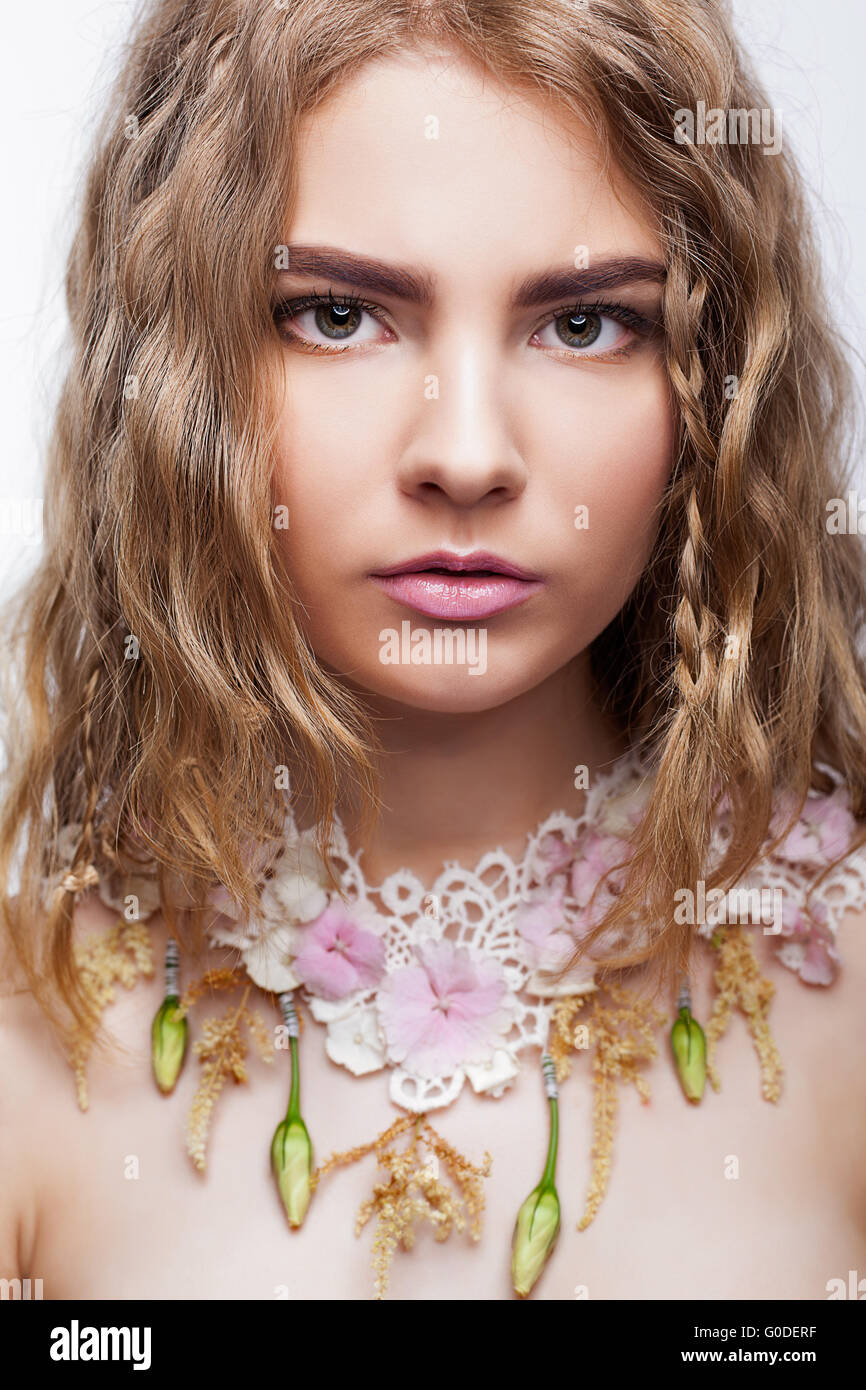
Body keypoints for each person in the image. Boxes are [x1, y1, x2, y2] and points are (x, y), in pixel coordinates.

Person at [1, 0, 865, 1302]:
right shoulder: (26, 1036)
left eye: (583, 324)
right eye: (338, 315)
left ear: (710, 390)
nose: (464, 453)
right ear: (180, 372)